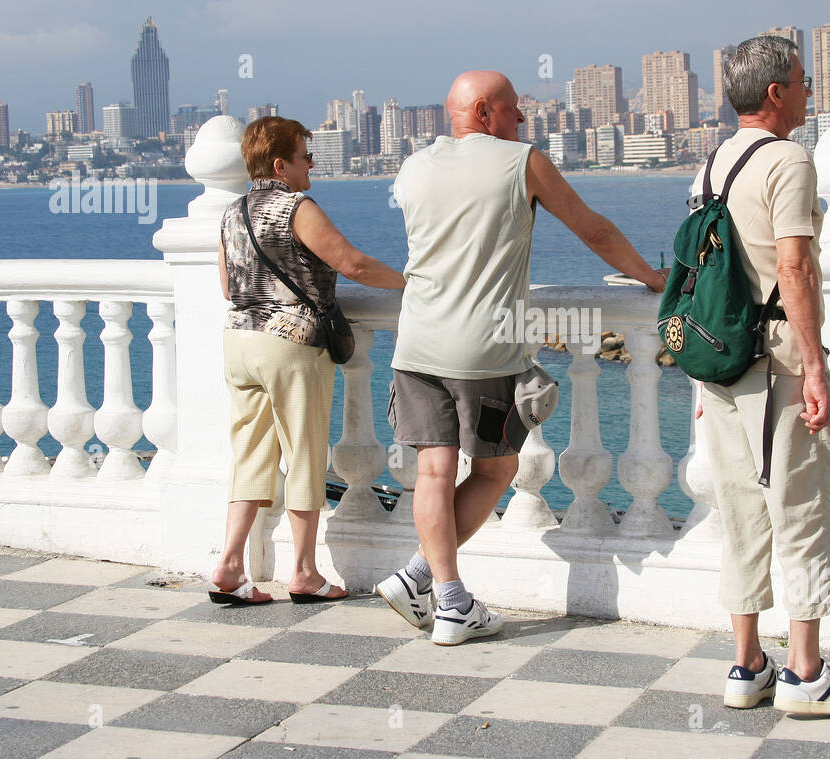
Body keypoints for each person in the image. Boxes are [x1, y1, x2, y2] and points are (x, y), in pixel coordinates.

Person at [376, 70, 667, 645]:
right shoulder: (522, 162)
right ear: (486, 110)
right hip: (485, 348)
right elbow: (594, 230)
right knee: (497, 469)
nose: (523, 122)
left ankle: (424, 582)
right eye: (516, 111)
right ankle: (449, 599)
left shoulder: (412, 167)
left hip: (416, 344)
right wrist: (652, 276)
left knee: (434, 472)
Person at [693, 36, 830, 715]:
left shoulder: (712, 164)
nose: (809, 91)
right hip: (776, 358)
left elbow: (708, 279)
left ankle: (746, 667)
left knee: (742, 513)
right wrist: (816, 367)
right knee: (801, 508)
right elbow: (793, 268)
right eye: (801, 81)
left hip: (722, 365)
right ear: (775, 93)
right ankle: (805, 673)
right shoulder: (787, 160)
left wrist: (703, 387)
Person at [211, 117, 405, 604]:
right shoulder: (296, 207)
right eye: (305, 155)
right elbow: (352, 263)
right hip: (291, 343)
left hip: (240, 342)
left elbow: (227, 287)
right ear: (281, 165)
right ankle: (303, 573)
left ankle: (231, 565)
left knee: (251, 453)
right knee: (304, 454)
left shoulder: (232, 213)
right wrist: (415, 284)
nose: (311, 163)